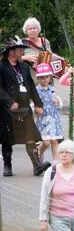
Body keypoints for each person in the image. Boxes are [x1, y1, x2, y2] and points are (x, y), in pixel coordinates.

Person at [1, 37, 51, 177]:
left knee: (30, 138)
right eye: (19, 49)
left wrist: (38, 103)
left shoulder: (23, 66)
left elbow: (30, 86)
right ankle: (7, 165)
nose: (22, 51)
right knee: (7, 139)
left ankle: (37, 166)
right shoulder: (2, 67)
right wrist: (9, 102)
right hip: (7, 110)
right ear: (11, 51)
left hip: (24, 108)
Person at [32, 63, 64, 165]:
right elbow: (33, 104)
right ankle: (39, 153)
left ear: (50, 77)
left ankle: (55, 162)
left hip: (54, 119)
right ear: (38, 78)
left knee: (54, 141)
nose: (44, 80)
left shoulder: (52, 89)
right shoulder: (36, 91)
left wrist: (58, 102)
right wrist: (36, 109)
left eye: (46, 77)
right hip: (43, 119)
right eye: (41, 78)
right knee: (45, 142)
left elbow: (58, 103)